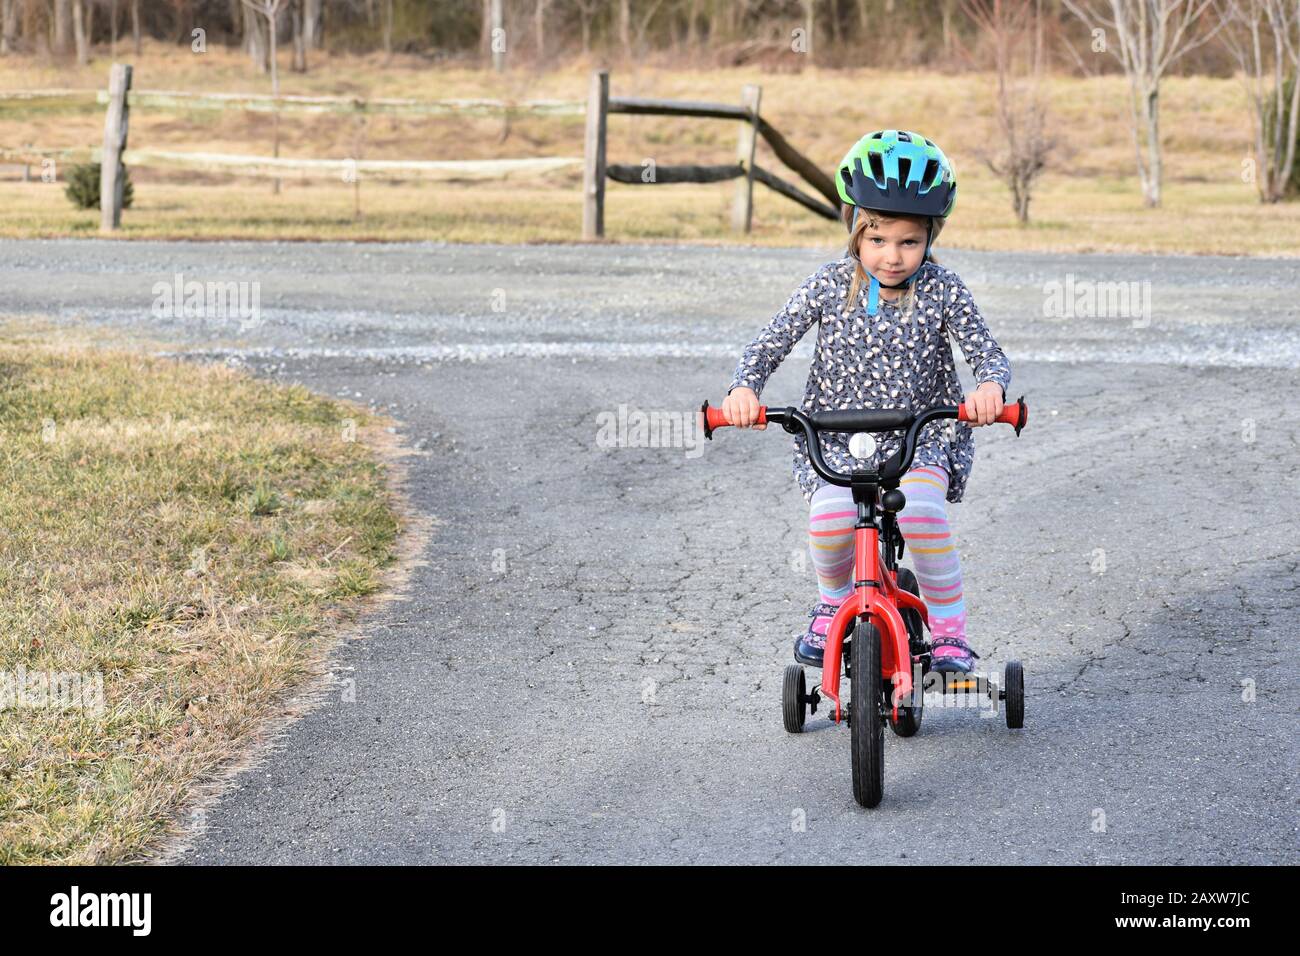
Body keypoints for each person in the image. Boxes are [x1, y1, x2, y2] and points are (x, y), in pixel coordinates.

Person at [721, 129, 1012, 675]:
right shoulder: (828, 284)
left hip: (920, 437)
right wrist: (744, 388)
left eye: (910, 242)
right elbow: (772, 339)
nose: (893, 257)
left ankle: (950, 633)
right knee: (829, 522)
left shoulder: (943, 289)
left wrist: (989, 389)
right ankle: (833, 603)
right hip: (836, 436)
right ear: (854, 229)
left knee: (923, 515)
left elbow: (986, 352)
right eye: (877, 240)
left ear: (932, 235)